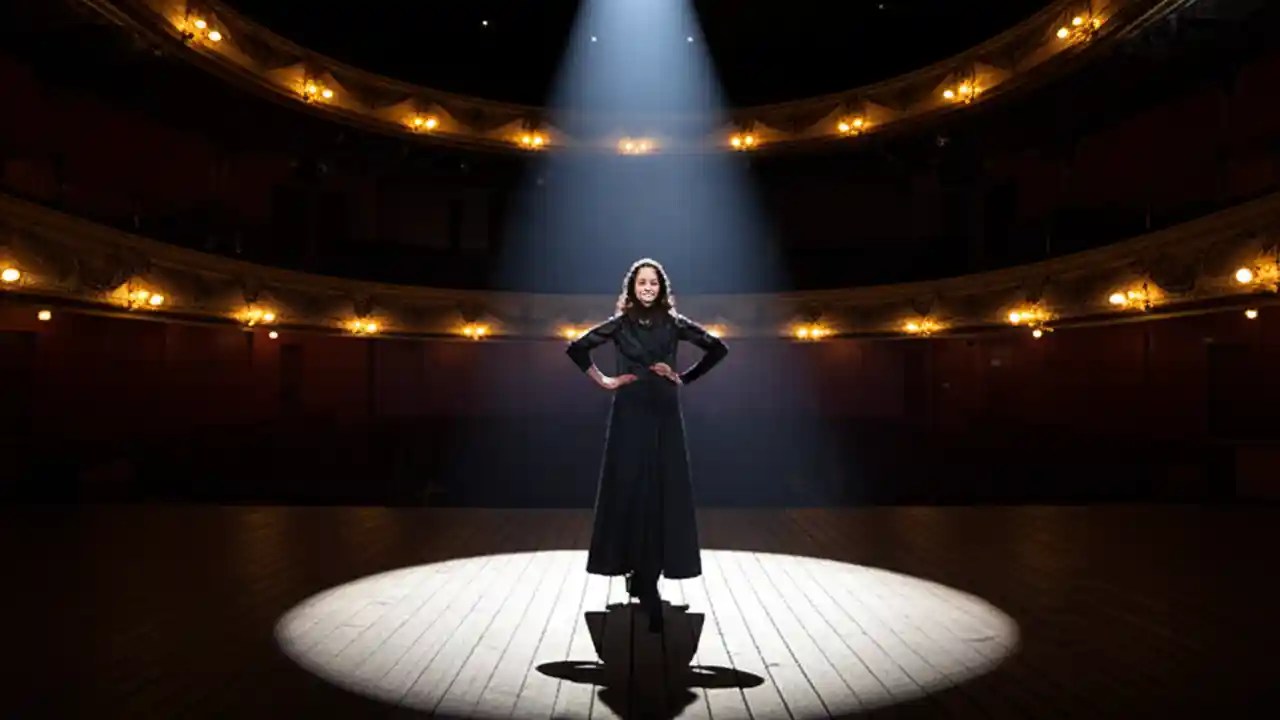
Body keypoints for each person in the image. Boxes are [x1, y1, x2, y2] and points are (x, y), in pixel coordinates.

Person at [566, 258, 728, 633]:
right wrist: (605, 380)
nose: (648, 288)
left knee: (662, 497)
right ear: (632, 287)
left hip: (665, 417)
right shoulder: (620, 324)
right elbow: (577, 349)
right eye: (642, 282)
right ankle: (637, 575)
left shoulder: (674, 324)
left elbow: (717, 348)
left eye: (654, 282)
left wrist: (682, 378)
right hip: (629, 416)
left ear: (662, 287)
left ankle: (648, 580)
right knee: (630, 495)